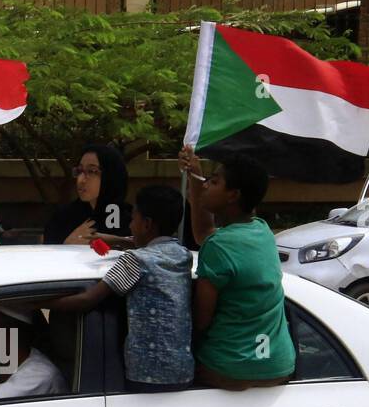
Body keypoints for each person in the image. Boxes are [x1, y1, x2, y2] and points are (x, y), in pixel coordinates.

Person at [47, 185, 193, 391]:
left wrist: (38, 303)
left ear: (147, 224)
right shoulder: (182, 255)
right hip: (182, 372)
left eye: (133, 219)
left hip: (145, 375)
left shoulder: (135, 261)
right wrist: (115, 239)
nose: (130, 225)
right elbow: (148, 244)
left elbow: (87, 300)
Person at [179, 145, 295, 390]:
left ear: (233, 195)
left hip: (229, 369)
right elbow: (203, 233)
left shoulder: (219, 247)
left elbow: (201, 321)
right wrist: (196, 176)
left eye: (214, 181)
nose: (207, 186)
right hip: (277, 366)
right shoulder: (261, 231)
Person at [44, 144, 133, 248]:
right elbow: (48, 259)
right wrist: (66, 246)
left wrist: (121, 241)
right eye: (79, 171)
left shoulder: (132, 219)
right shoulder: (62, 218)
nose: (81, 180)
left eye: (92, 171)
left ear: (110, 175)